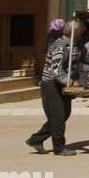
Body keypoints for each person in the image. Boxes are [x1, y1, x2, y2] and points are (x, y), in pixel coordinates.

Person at [26, 20, 79, 155]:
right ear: (75, 32)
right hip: (51, 84)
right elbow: (56, 70)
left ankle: (36, 140)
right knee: (58, 116)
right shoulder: (60, 46)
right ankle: (59, 148)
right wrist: (70, 82)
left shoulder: (70, 45)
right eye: (80, 30)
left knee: (62, 115)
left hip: (60, 85)